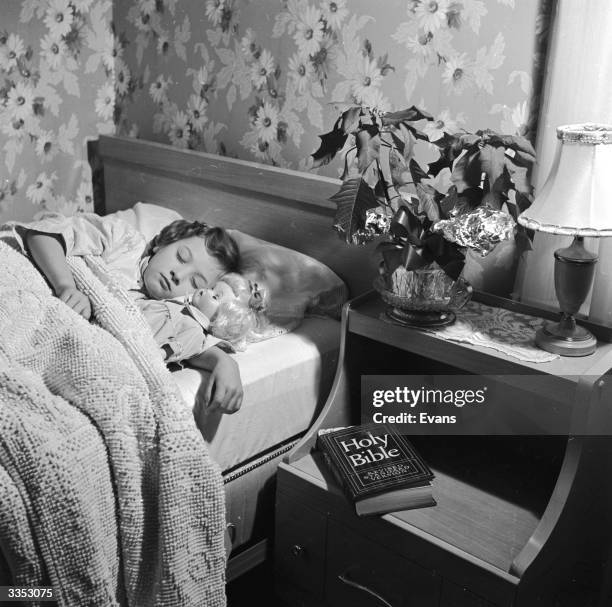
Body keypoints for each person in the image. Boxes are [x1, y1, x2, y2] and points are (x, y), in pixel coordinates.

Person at [16, 211, 244, 414]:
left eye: (195, 281)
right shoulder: (124, 242)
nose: (178, 274)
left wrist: (224, 362)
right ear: (163, 243)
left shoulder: (172, 312)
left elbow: (185, 342)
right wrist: (66, 285)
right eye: (181, 257)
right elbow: (44, 234)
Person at [133, 272, 269, 363]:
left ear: (220, 319)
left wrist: (158, 355)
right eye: (212, 288)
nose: (208, 291)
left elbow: (177, 347)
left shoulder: (195, 332)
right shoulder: (181, 304)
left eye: (215, 296)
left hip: (138, 341)